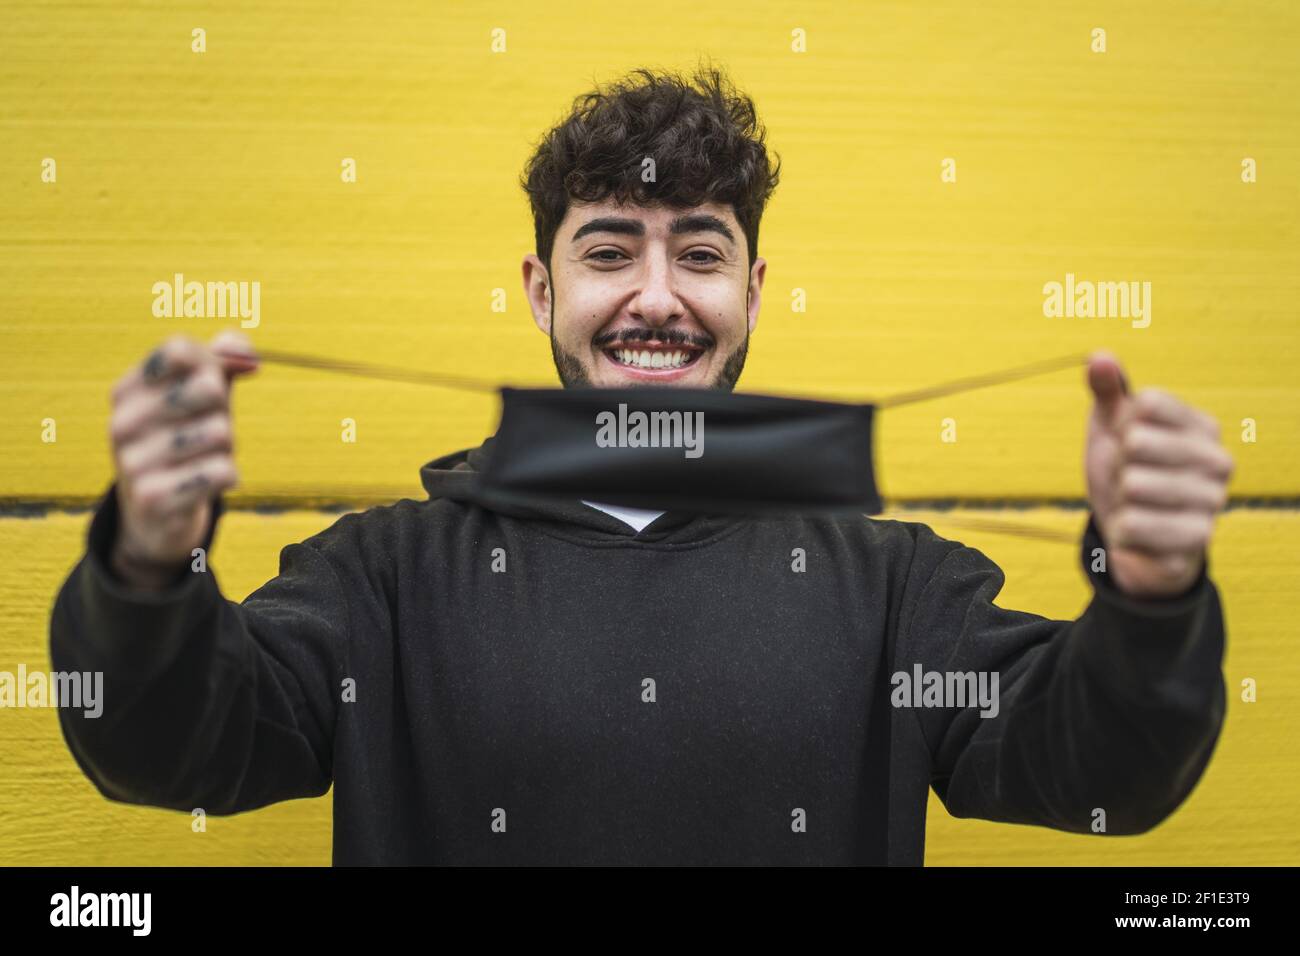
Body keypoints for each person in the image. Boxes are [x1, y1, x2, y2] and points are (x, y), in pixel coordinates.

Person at [50, 65, 1233, 865]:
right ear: (540, 288)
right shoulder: (379, 582)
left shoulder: (900, 593)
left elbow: (1107, 775)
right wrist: (146, 565)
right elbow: (165, 752)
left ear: (753, 293)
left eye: (701, 254)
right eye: (609, 249)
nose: (657, 299)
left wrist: (1150, 596)